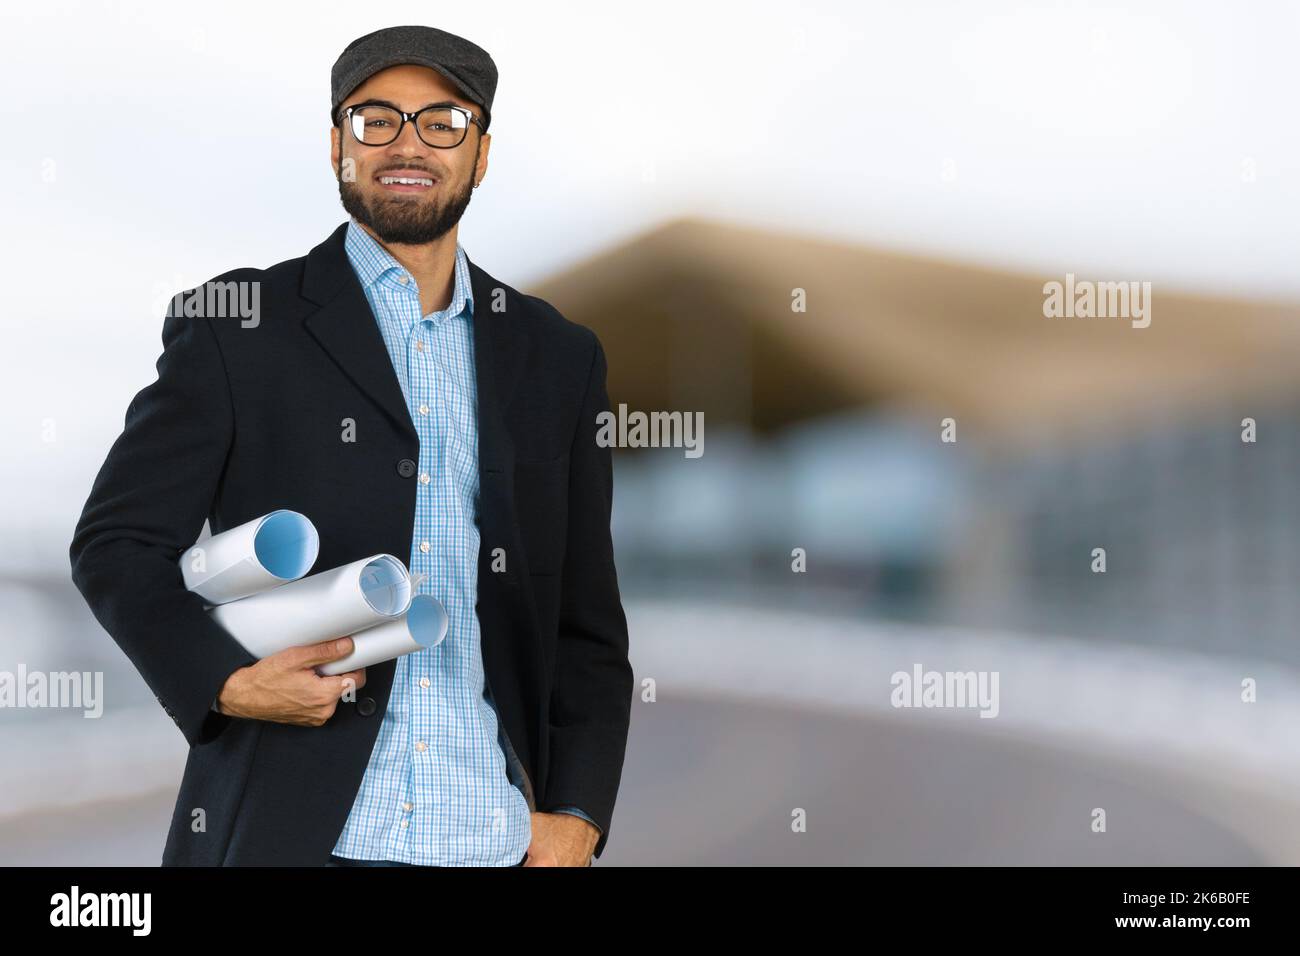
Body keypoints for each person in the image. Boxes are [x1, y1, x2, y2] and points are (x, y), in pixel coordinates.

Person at [68, 24, 633, 867]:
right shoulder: (238, 326)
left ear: (480, 153)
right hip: (295, 838)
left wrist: (578, 819)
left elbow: (586, 627)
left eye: (443, 121)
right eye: (378, 120)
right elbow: (116, 547)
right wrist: (223, 680)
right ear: (339, 144)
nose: (408, 145)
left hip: (494, 841)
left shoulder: (556, 356)